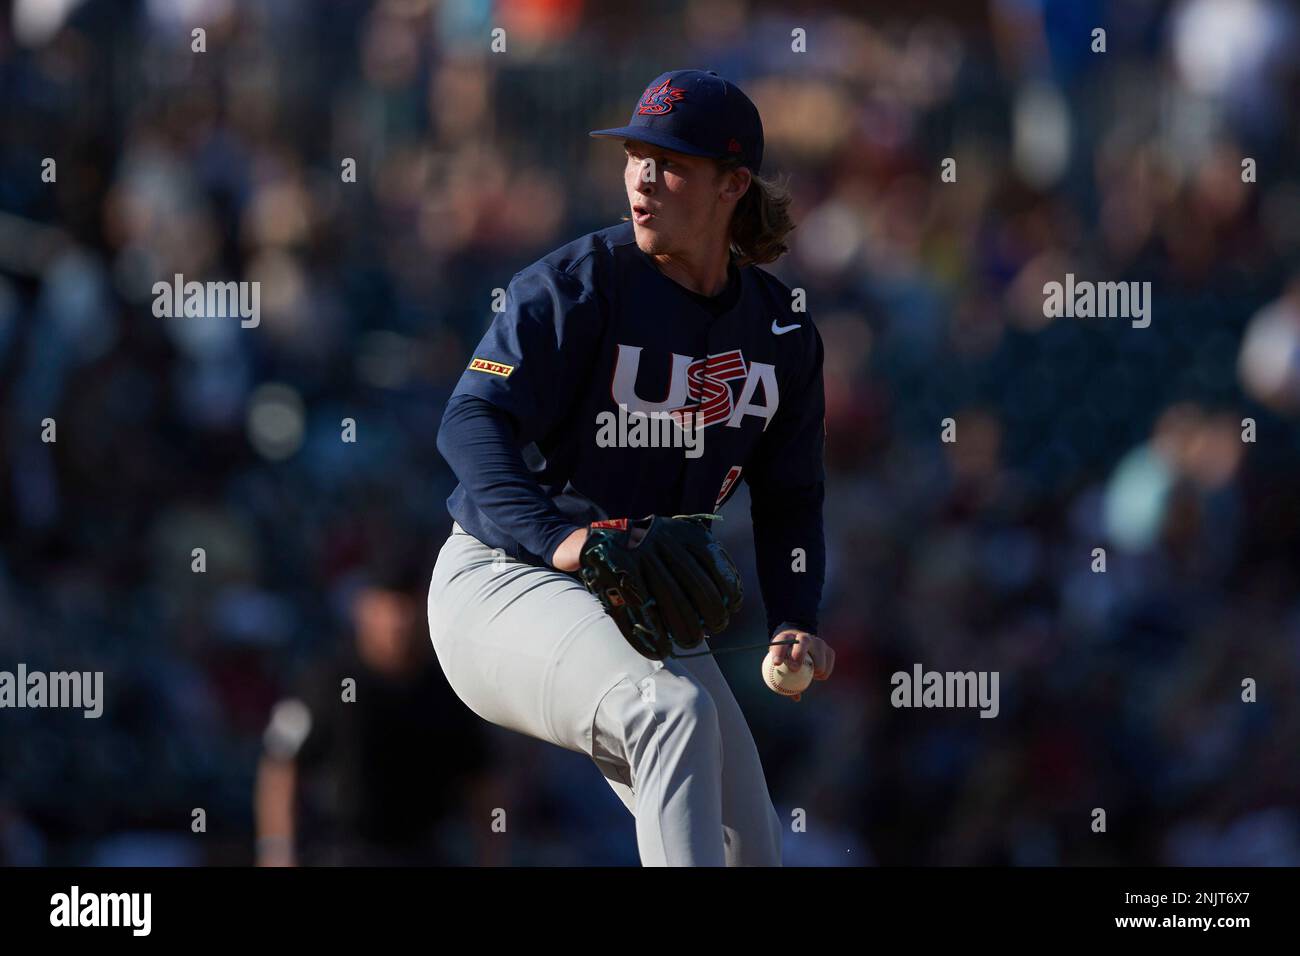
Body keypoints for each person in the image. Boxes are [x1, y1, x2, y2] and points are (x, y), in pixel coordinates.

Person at [427, 69, 835, 867]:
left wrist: (794, 615)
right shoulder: (578, 285)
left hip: (637, 603)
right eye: (636, 155)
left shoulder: (781, 331)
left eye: (671, 162)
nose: (643, 178)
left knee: (747, 845)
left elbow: (791, 496)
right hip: (505, 581)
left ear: (733, 184)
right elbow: (469, 421)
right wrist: (562, 539)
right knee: (672, 713)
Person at [255, 569, 502, 866]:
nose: (398, 620)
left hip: (422, 850)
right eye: (387, 607)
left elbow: (482, 784)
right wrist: (276, 852)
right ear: (363, 610)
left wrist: (490, 856)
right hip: (340, 850)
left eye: (406, 606)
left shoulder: (449, 688)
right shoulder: (326, 682)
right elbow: (281, 765)